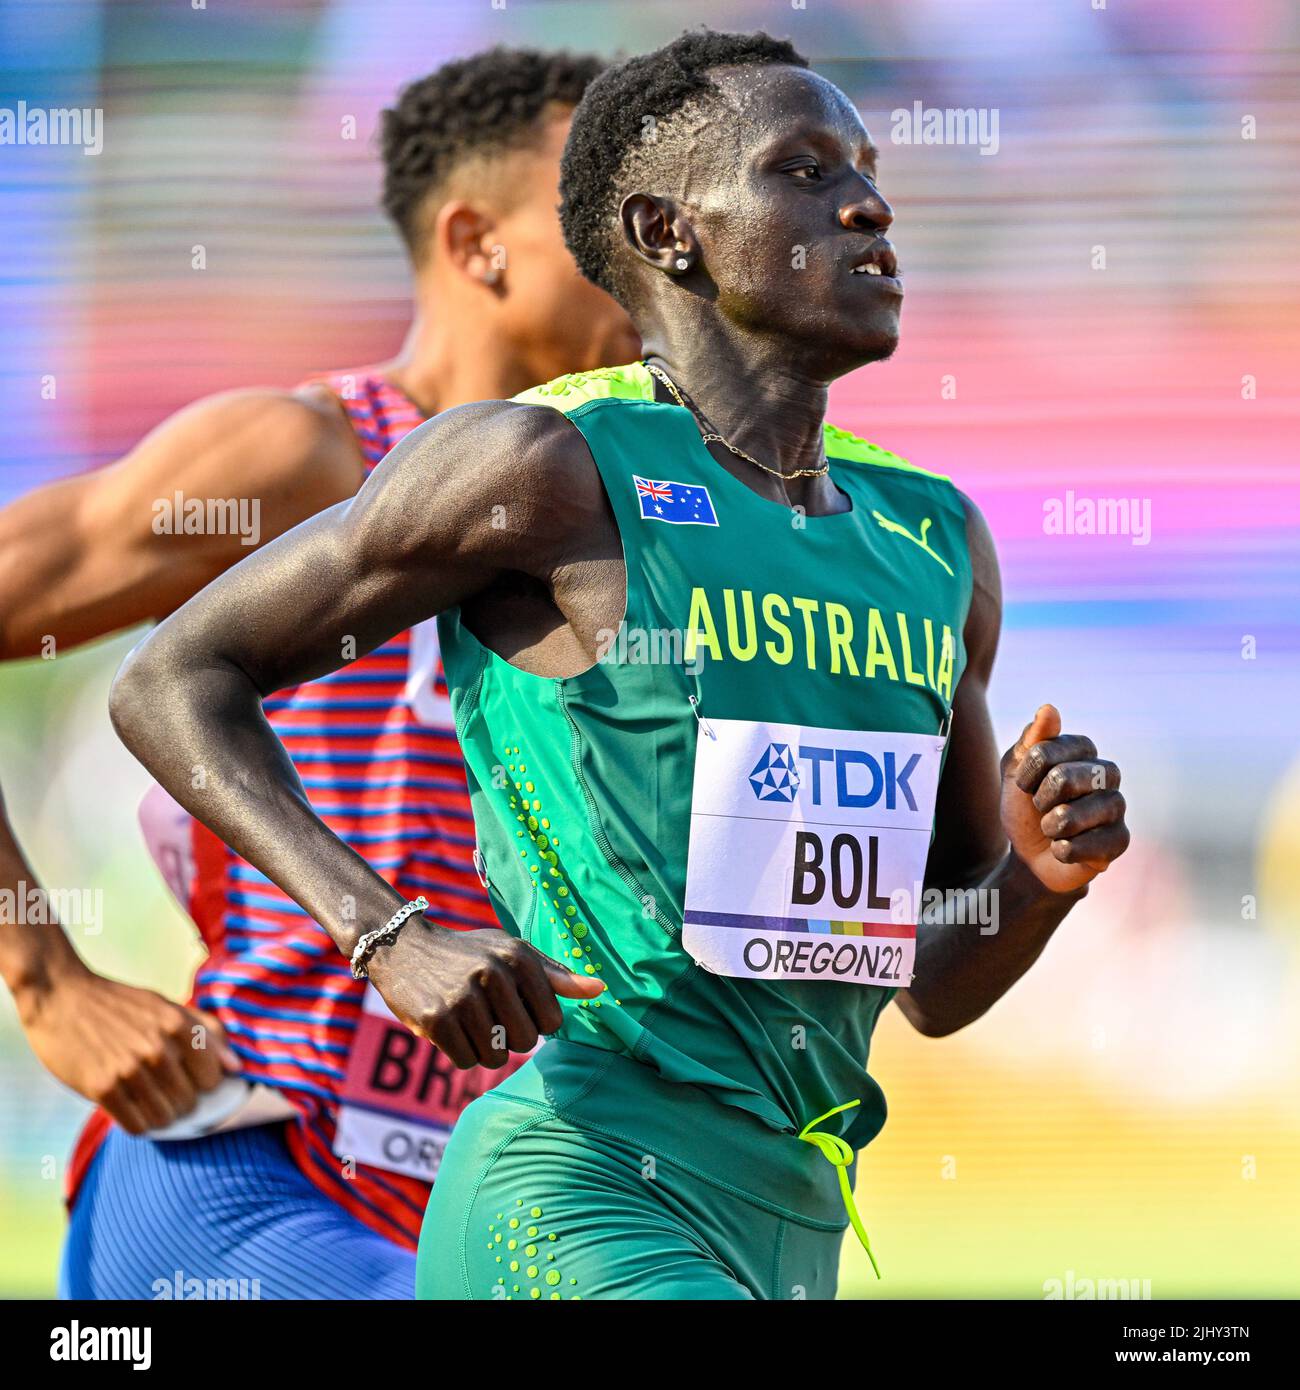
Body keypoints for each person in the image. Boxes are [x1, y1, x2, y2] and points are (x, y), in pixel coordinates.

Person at [109, 29, 1130, 1301]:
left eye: (864, 167)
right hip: (577, 1184)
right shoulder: (543, 468)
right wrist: (385, 929)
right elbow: (172, 678)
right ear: (665, 231)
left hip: (797, 1216)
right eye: (804, 172)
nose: (868, 202)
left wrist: (1038, 875)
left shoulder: (932, 537)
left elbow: (926, 978)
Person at [0, 46, 637, 1299]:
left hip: (499, 1194)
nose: (653, 256)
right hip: (252, 1162)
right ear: (476, 243)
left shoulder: (646, 512)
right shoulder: (307, 457)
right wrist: (45, 978)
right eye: (600, 223)